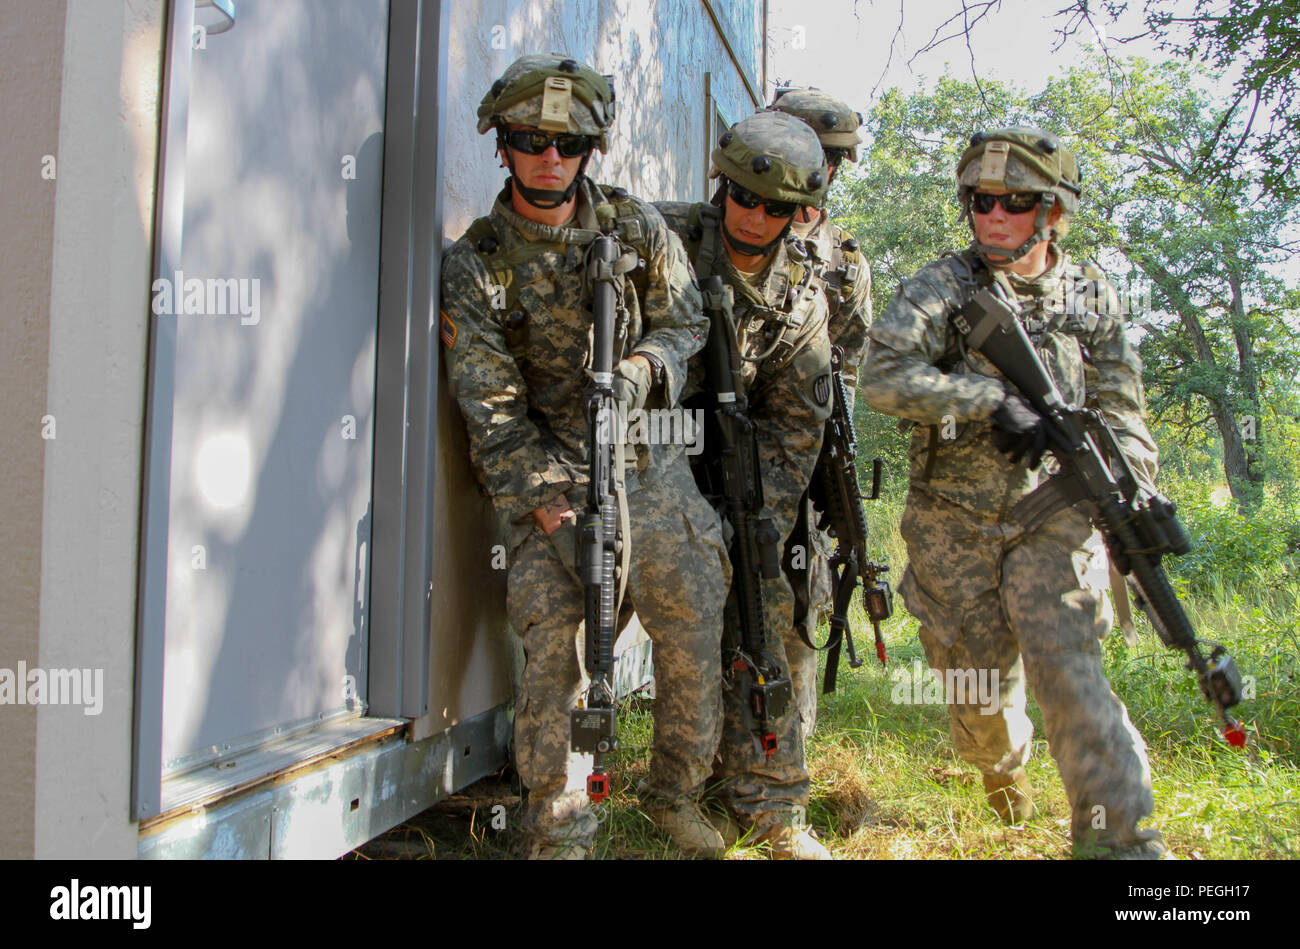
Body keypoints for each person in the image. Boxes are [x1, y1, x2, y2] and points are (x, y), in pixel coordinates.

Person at [439, 54, 731, 859]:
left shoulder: (635, 228)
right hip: (554, 476)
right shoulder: (478, 264)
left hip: (647, 462)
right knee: (560, 647)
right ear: (502, 144)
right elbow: (492, 408)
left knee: (694, 606)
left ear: (591, 150)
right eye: (530, 140)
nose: (550, 158)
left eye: (568, 144)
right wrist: (549, 508)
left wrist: (643, 369)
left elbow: (687, 321)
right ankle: (561, 827)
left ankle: (673, 794)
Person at [861, 126, 1166, 858]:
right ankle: (1003, 768)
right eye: (981, 200)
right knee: (979, 705)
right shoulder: (942, 286)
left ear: (1053, 211)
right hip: (953, 524)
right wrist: (986, 400)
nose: (994, 215)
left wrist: (1134, 487)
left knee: (1070, 676)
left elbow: (1123, 408)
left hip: (1055, 518)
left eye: (1015, 202)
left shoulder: (1090, 296)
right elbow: (881, 378)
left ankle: (1122, 846)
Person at [657, 110, 835, 859]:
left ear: (802, 214)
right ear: (721, 186)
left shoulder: (802, 296)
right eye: (742, 197)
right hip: (647, 454)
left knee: (765, 598)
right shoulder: (661, 240)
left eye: (775, 208)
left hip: (738, 465)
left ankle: (771, 801)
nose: (754, 217)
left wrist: (759, 519)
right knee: (669, 586)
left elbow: (797, 427)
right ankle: (656, 790)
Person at [768, 87, 873, 736]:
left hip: (804, 450)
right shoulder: (737, 221)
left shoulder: (846, 262)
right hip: (717, 440)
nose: (819, 170)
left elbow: (849, 365)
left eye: (830, 160)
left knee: (801, 594)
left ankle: (788, 749)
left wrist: (831, 459)